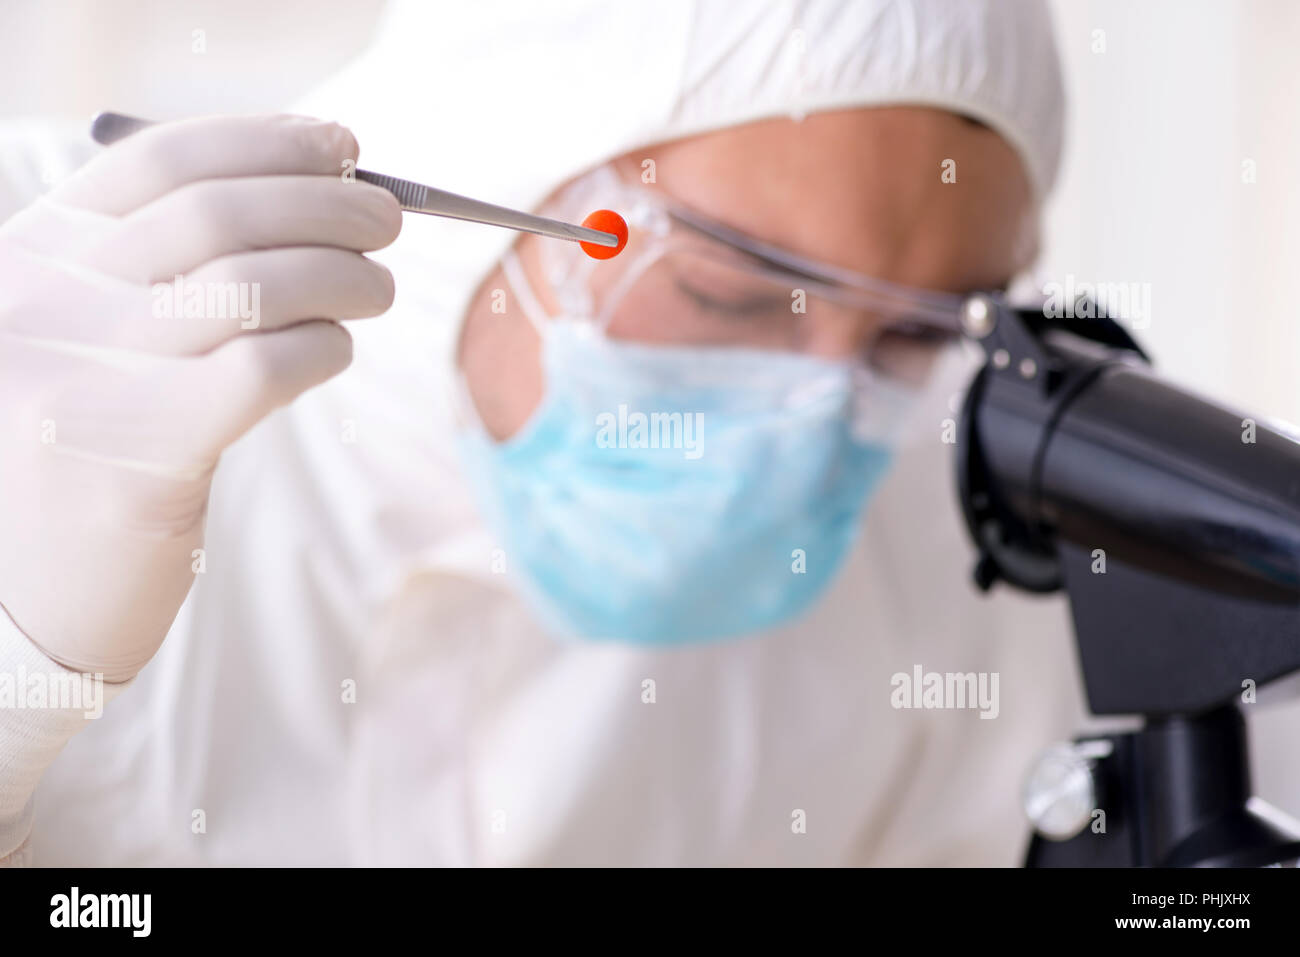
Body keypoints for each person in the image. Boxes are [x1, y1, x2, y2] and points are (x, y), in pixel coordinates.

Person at [0, 0, 1084, 866]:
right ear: (491, 167)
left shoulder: (949, 549)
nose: (812, 429)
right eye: (729, 299)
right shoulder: (43, 297)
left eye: (910, 337)